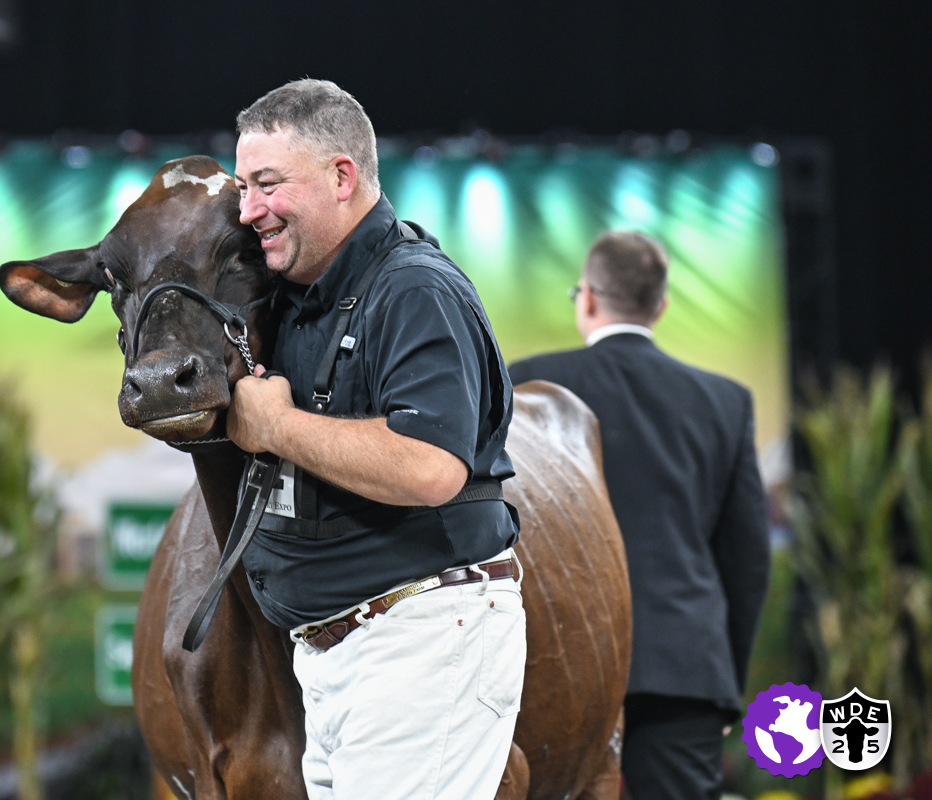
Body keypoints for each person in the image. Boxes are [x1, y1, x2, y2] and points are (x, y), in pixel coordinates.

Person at [226, 79, 525, 800]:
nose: (248, 212)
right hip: (340, 657)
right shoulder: (298, 297)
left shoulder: (415, 290)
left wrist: (275, 426)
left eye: (268, 185)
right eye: (242, 189)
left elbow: (430, 469)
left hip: (422, 641)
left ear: (342, 176)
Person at [507, 231, 771, 800]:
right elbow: (747, 560)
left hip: (559, 667)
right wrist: (723, 682)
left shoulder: (528, 385)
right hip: (680, 669)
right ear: (663, 305)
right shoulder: (723, 401)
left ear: (589, 299)